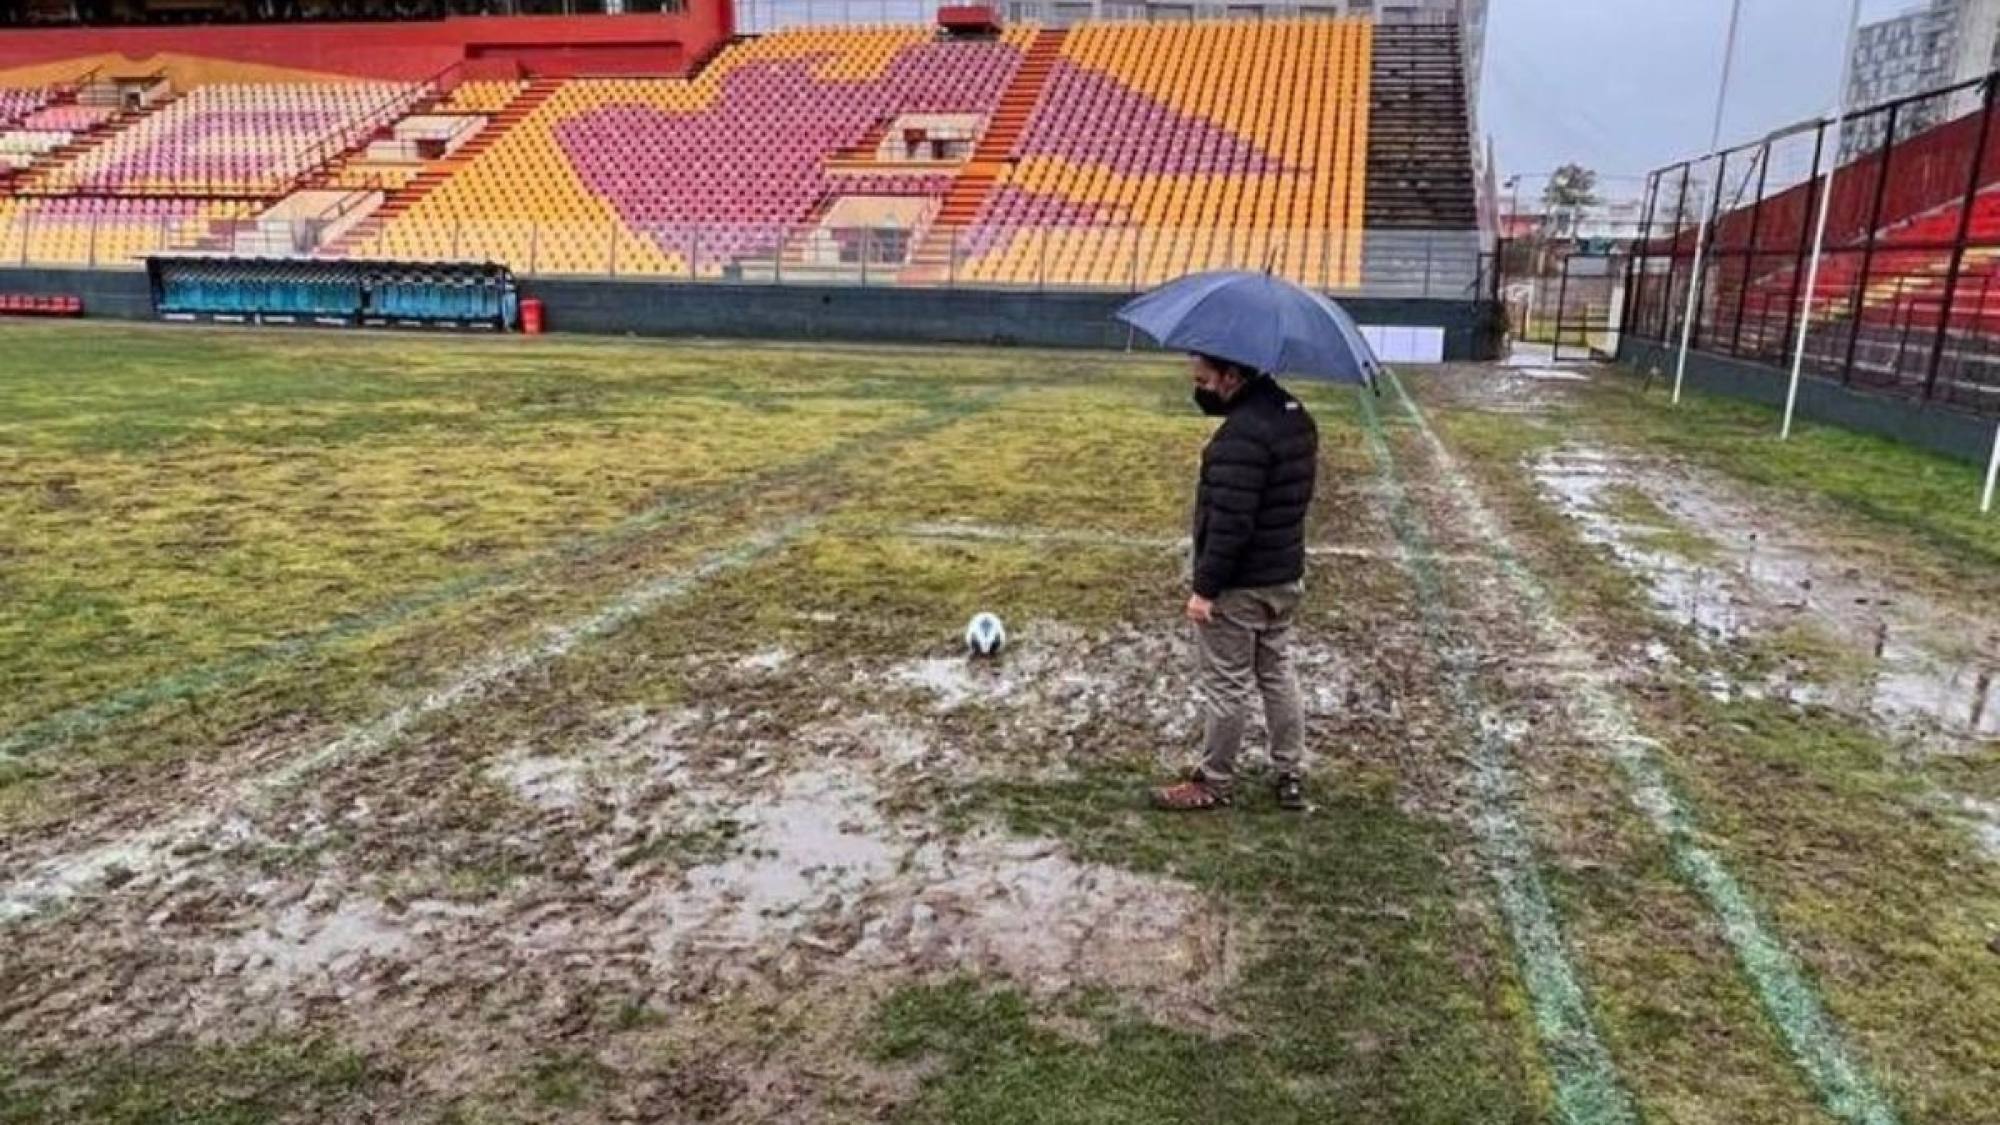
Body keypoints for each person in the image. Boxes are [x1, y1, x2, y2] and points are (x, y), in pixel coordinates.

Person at [1152, 352, 1318, 812]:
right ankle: (1290, 772)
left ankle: (1215, 781)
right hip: (1284, 577)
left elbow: (1231, 524)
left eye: (1204, 379)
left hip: (1242, 585)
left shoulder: (1240, 437)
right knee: (1277, 673)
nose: (1199, 388)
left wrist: (1205, 589)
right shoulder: (1297, 417)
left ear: (1232, 376)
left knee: (1226, 684)